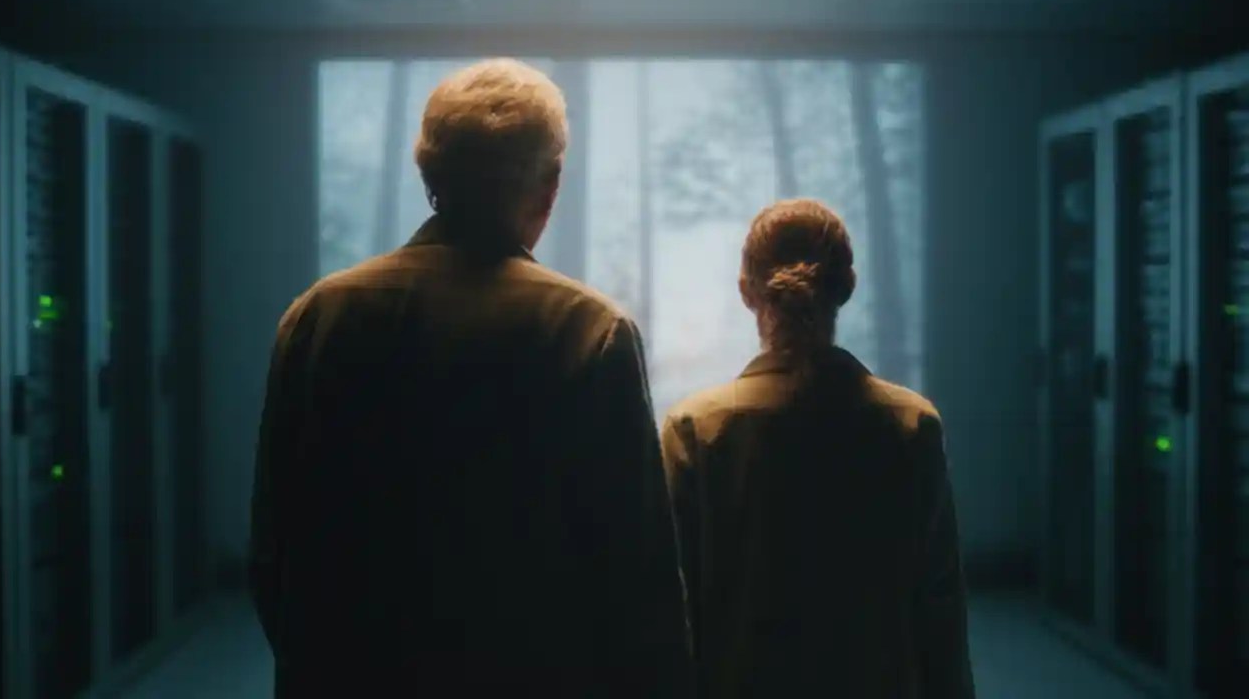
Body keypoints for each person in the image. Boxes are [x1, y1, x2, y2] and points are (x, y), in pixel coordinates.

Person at [249, 58, 691, 698]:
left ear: (429, 172)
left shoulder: (317, 318)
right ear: (551, 185)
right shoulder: (587, 331)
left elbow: (273, 551)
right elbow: (638, 578)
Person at [659, 198, 975, 698]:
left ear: (746, 291)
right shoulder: (911, 425)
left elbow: (672, 615)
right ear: (847, 287)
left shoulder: (696, 430)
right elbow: (938, 612)